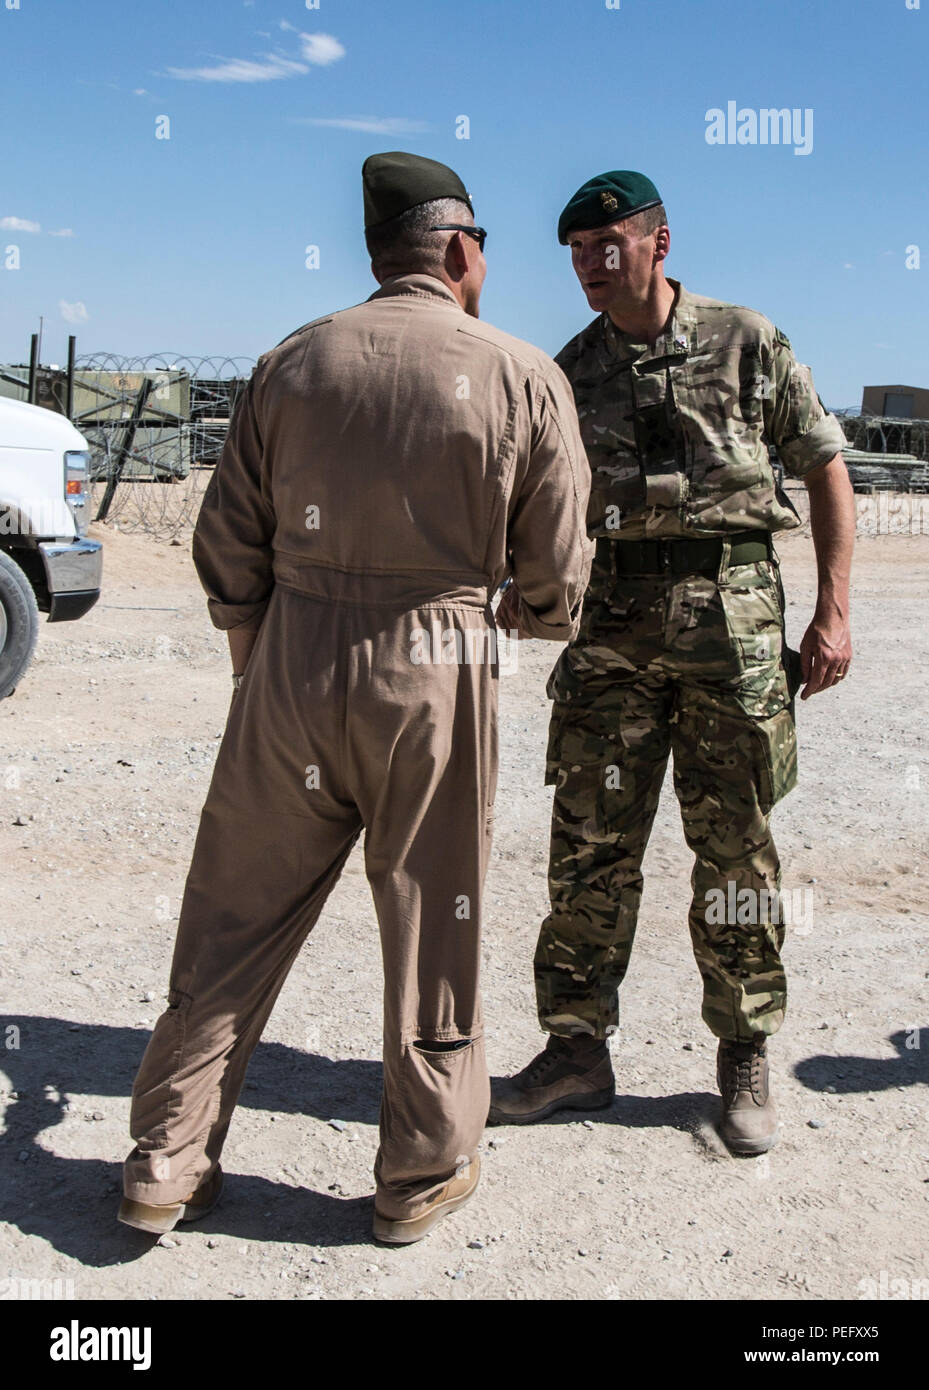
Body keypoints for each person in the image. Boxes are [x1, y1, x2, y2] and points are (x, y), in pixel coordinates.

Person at [117, 152, 592, 1243]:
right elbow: (560, 580)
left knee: (232, 920)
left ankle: (164, 1157)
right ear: (462, 250)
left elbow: (223, 546)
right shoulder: (520, 373)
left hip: (291, 657)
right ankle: (418, 1171)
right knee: (435, 920)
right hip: (437, 667)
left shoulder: (294, 360)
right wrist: (493, 618)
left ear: (379, 255)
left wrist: (262, 658)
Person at [491, 170, 854, 1155]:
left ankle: (742, 1052)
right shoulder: (569, 372)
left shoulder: (746, 343)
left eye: (608, 246)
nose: (591, 267)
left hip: (728, 633)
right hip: (609, 639)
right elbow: (536, 503)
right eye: (575, 252)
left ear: (657, 243)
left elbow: (825, 466)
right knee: (587, 849)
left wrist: (831, 612)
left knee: (733, 850)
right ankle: (574, 1050)